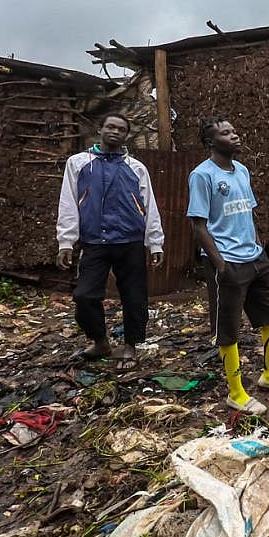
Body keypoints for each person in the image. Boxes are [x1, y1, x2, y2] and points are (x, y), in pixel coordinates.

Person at [187, 116, 269, 415]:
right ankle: (236, 393)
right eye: (226, 133)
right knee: (229, 330)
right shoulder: (202, 175)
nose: (234, 136)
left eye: (234, 131)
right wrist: (220, 265)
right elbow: (198, 225)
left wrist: (259, 248)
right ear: (211, 142)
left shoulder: (242, 171)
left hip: (254, 258)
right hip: (228, 262)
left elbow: (249, 213)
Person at [56, 113, 165, 370]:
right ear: (100, 128)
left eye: (121, 129)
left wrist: (155, 242)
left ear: (126, 135)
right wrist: (66, 241)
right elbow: (68, 202)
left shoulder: (136, 167)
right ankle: (100, 341)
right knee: (84, 296)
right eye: (110, 127)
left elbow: (149, 206)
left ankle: (130, 345)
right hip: (95, 242)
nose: (115, 132)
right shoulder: (79, 163)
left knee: (134, 296)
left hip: (129, 241)